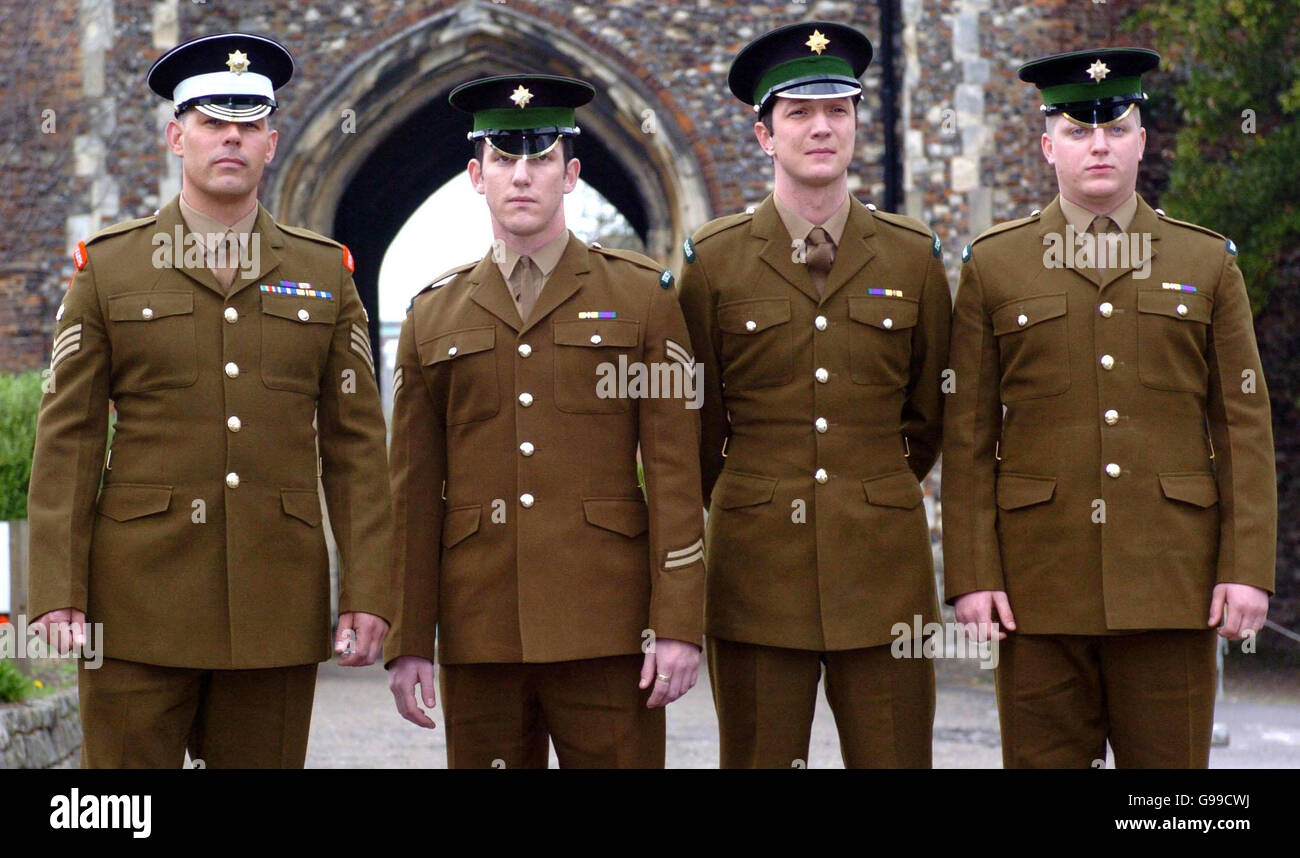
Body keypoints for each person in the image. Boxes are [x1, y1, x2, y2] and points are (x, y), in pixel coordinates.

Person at [26, 32, 394, 768]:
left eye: (249, 123)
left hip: (275, 602)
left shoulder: (325, 274)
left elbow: (357, 449)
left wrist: (370, 590)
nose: (230, 136)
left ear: (270, 142)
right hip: (136, 604)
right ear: (176, 136)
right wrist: (56, 592)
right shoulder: (110, 268)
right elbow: (68, 438)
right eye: (209, 119)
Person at [943, 47, 1276, 768]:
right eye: (1076, 129)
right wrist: (973, 573)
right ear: (1047, 145)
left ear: (1140, 140)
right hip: (1038, 590)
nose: (1098, 144)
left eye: (1115, 127)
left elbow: (1243, 424)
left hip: (1172, 584)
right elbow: (968, 432)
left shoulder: (1205, 262)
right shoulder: (995, 265)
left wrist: (1247, 565)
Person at [384, 74, 706, 768]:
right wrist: (409, 638)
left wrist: (678, 624)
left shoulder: (642, 298)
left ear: (572, 174)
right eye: (504, 159)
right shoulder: (431, 315)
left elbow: (677, 476)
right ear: (476, 175)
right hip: (480, 633)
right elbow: (412, 495)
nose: (522, 176)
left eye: (541, 158)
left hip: (610, 632)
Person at [677, 22, 952, 768]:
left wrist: (870, 490)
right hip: (757, 577)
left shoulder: (912, 256)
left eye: (838, 109)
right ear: (764, 133)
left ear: (858, 123)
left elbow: (927, 416)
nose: (822, 126)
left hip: (884, 576)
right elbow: (694, 424)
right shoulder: (714, 262)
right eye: (799, 111)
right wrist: (750, 496)